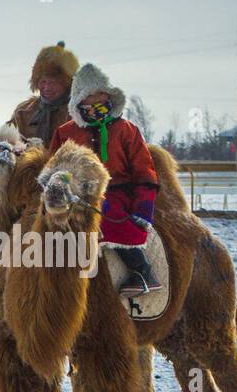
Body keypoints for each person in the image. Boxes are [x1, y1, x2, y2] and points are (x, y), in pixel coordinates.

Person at [49, 63, 162, 297]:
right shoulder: (65, 133)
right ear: (79, 100)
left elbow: (144, 172)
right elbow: (53, 167)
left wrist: (143, 209)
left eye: (101, 92)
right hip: (74, 194)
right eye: (90, 94)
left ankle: (141, 271)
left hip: (116, 194)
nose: (96, 98)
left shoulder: (126, 130)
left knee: (106, 216)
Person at [11, 41, 80, 144]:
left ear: (67, 83)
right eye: (43, 81)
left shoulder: (78, 112)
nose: (47, 88)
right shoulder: (23, 112)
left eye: (53, 82)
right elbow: (7, 142)